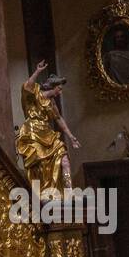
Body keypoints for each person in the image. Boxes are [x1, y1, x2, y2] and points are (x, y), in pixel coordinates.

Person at [16, 60, 80, 195]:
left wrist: (71, 136)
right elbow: (27, 86)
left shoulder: (51, 103)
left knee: (64, 160)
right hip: (33, 132)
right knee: (40, 166)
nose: (60, 92)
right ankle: (42, 193)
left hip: (48, 133)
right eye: (59, 89)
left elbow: (58, 119)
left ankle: (69, 193)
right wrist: (38, 71)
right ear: (53, 86)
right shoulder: (34, 95)